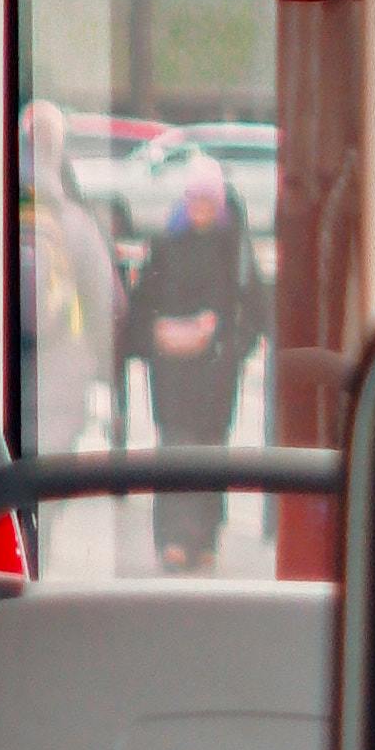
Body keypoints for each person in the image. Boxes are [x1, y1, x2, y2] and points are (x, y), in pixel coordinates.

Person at [117, 151, 267, 569]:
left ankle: (203, 539)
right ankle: (172, 538)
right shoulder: (166, 245)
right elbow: (139, 311)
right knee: (174, 450)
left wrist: (222, 344)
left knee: (210, 454)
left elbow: (254, 314)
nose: (200, 208)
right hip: (172, 376)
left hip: (215, 377)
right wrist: (160, 336)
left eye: (208, 200)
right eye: (194, 199)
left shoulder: (234, 251)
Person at [16, 100, 115, 463]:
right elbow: (105, 304)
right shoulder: (77, 224)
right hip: (61, 379)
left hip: (1, 380)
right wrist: (104, 372)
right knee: (44, 504)